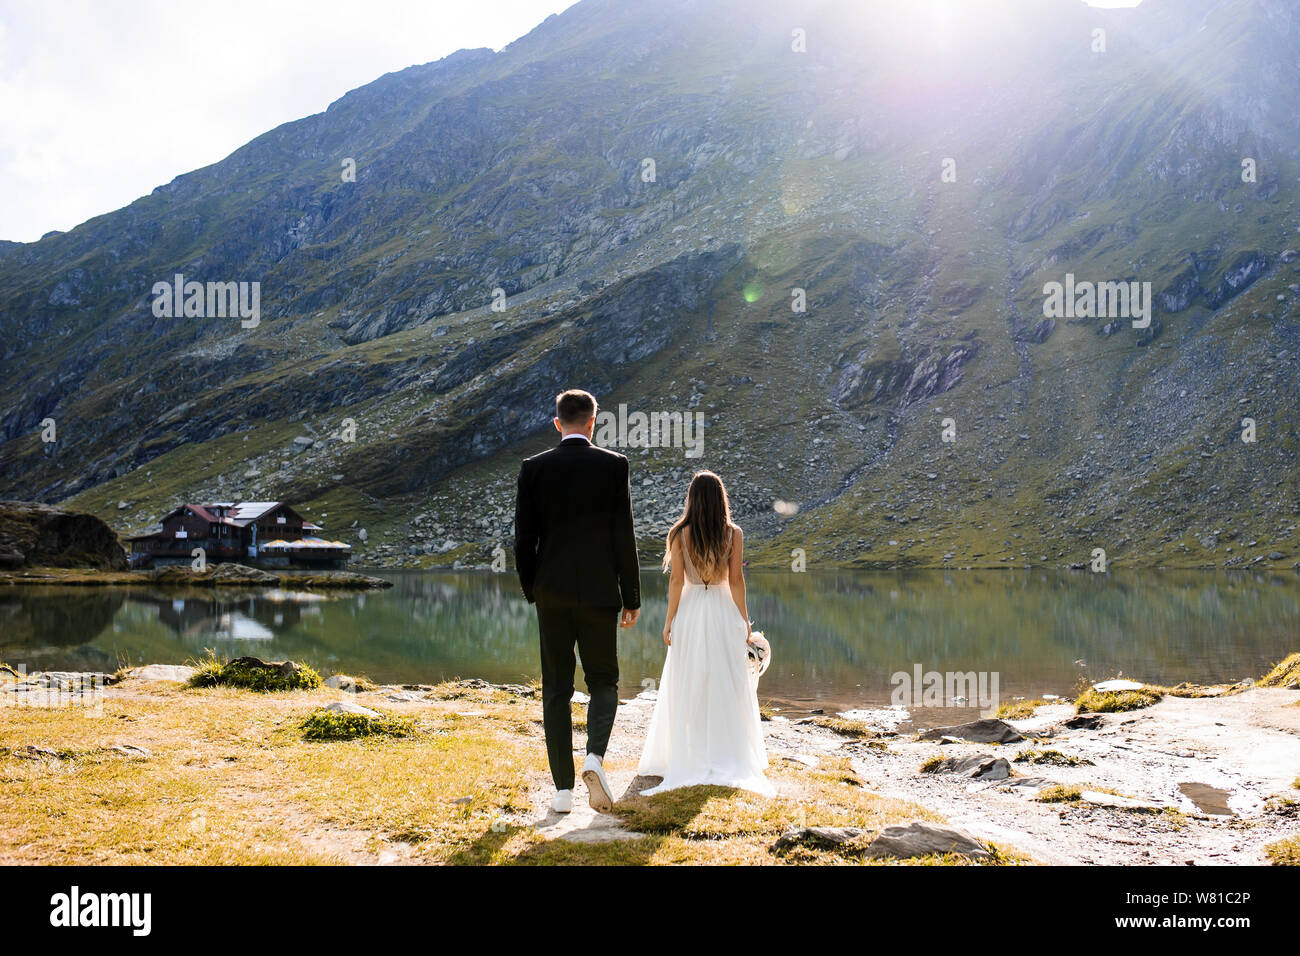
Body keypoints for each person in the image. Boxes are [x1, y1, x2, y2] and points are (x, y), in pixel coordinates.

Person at [514, 389, 641, 813]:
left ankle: (563, 792)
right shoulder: (613, 465)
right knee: (604, 681)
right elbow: (624, 534)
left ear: (557, 423)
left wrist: (533, 589)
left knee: (556, 689)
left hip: (551, 593)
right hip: (601, 593)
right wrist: (632, 597)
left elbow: (523, 540)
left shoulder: (534, 468)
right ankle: (594, 757)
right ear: (592, 422)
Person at [637, 470, 773, 796]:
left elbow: (676, 582)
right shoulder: (733, 534)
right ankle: (729, 751)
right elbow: (737, 581)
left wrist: (669, 620)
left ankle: (687, 751)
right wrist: (745, 621)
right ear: (720, 499)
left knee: (688, 682)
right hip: (724, 613)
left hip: (691, 612)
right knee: (728, 682)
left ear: (692, 500)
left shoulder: (679, 534)